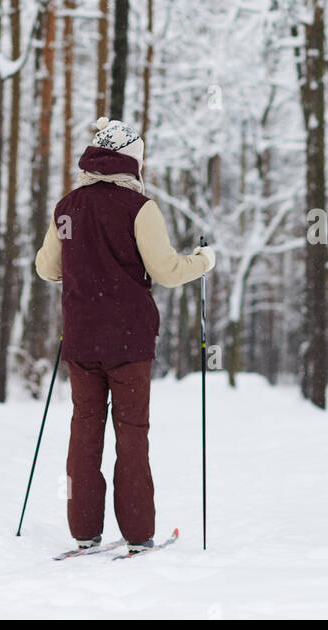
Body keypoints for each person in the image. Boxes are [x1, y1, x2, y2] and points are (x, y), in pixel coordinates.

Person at [35, 116, 214, 553]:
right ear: (131, 162)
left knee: (84, 431)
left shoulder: (67, 207)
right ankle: (137, 534)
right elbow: (167, 272)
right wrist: (204, 260)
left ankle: (83, 531)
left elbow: (47, 268)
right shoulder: (140, 208)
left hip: (81, 339)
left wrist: (84, 266)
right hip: (129, 342)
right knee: (132, 432)